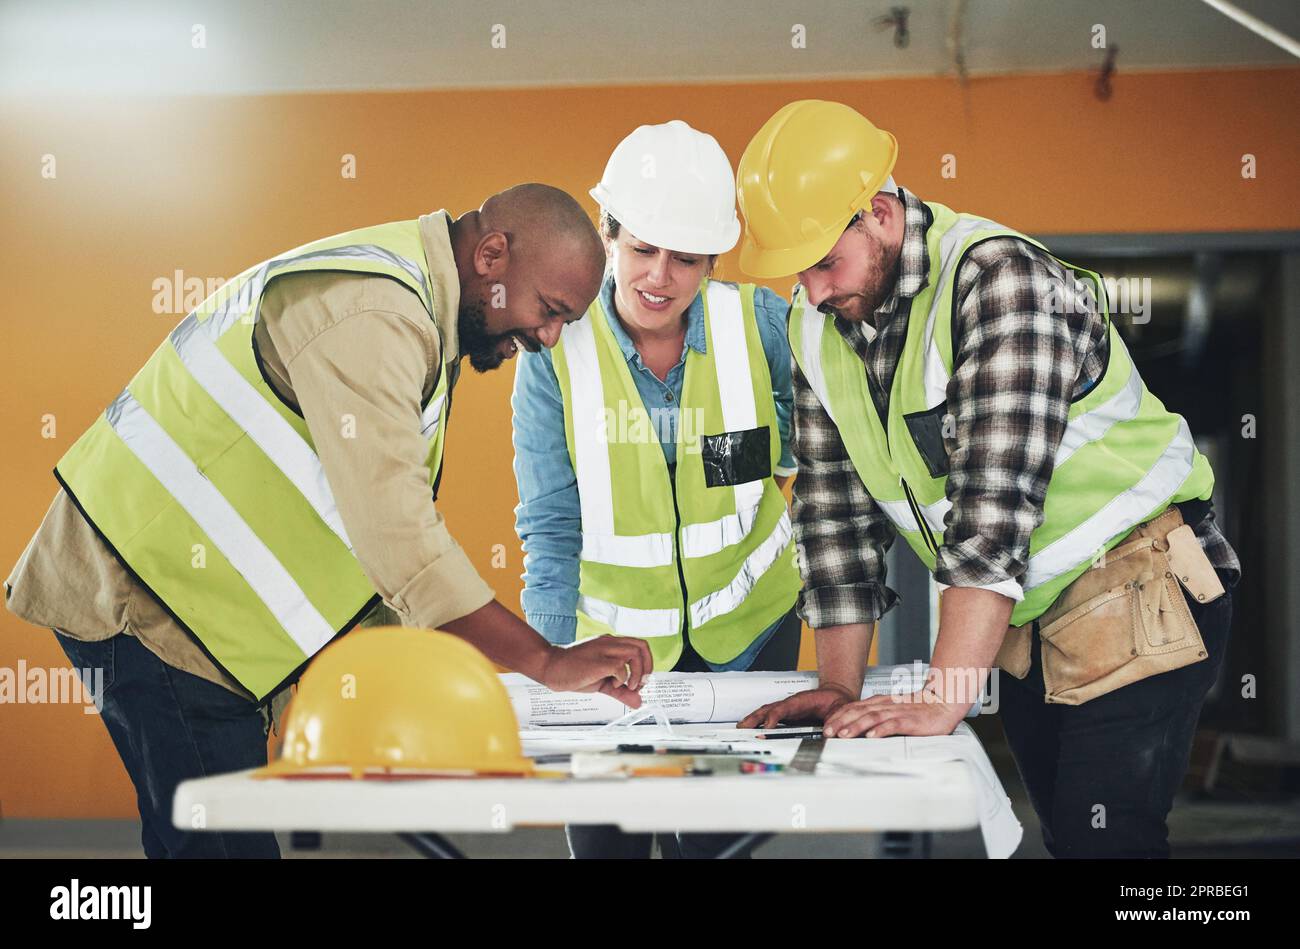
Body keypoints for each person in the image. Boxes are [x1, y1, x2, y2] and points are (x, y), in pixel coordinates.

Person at [5, 183, 652, 858]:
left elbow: (354, 527)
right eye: (548, 311)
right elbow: (397, 535)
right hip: (151, 599)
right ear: (492, 255)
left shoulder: (419, 316)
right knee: (221, 847)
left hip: (198, 609)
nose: (547, 338)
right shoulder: (373, 310)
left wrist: (421, 681)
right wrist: (544, 660)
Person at [734, 100, 1240, 859]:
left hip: (1141, 587)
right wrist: (840, 686)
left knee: (1111, 843)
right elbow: (834, 517)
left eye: (823, 262)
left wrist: (941, 697)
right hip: (1031, 618)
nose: (810, 291)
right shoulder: (817, 328)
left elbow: (992, 511)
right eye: (796, 270)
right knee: (1073, 838)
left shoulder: (1001, 283)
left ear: (877, 212)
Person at [511, 121, 802, 858]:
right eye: (642, 247)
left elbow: (814, 457)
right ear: (607, 234)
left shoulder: (761, 326)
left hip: (751, 634)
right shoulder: (553, 350)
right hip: (610, 649)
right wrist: (550, 672)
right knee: (611, 842)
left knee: (714, 847)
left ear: (713, 260)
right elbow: (551, 523)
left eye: (687, 258)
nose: (659, 277)